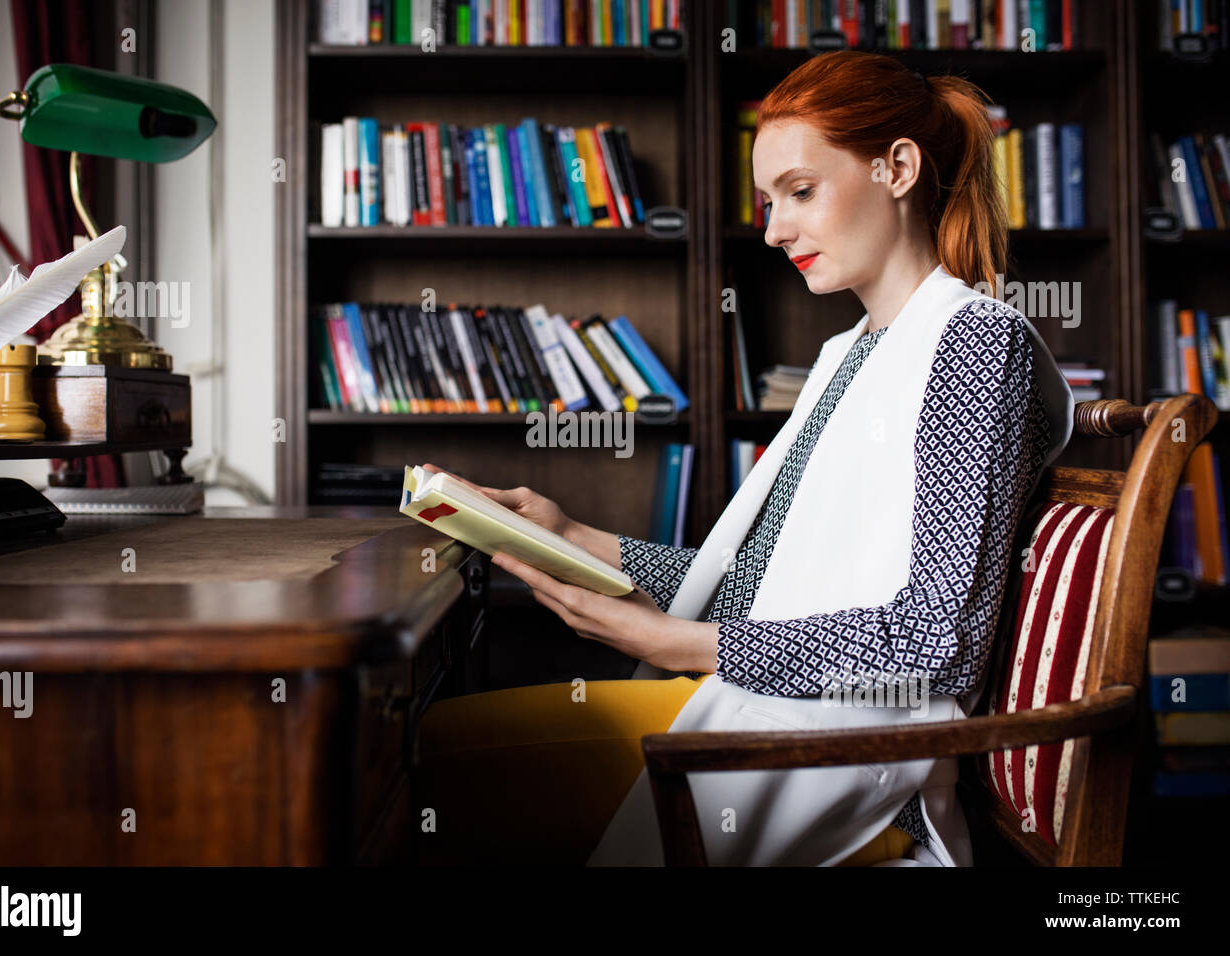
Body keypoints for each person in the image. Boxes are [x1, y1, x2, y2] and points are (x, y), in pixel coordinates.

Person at [413, 49, 1074, 866]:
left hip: (852, 754)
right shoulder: (851, 351)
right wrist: (573, 534)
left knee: (423, 761)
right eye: (767, 201)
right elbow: (756, 584)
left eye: (800, 191)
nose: (774, 229)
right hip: (775, 709)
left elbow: (936, 641)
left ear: (898, 167)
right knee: (425, 744)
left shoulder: (973, 343)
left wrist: (678, 645)